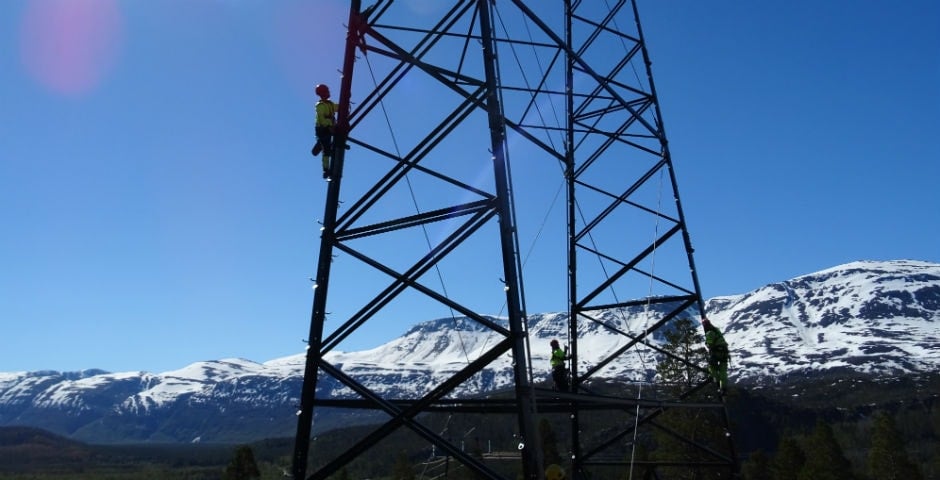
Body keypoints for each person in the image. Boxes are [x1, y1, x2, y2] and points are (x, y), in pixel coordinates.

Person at [312, 84, 337, 179]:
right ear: (323, 93)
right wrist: (329, 125)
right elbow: (322, 119)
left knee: (326, 145)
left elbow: (336, 107)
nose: (329, 92)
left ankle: (320, 144)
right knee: (326, 150)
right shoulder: (320, 106)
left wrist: (344, 105)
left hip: (328, 127)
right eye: (327, 90)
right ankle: (326, 170)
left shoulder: (330, 104)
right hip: (322, 129)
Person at [702, 318, 730, 394]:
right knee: (723, 371)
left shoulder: (709, 333)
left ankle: (717, 382)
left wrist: (707, 344)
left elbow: (710, 344)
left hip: (716, 353)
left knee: (712, 368)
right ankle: (723, 388)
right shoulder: (716, 330)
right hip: (725, 352)